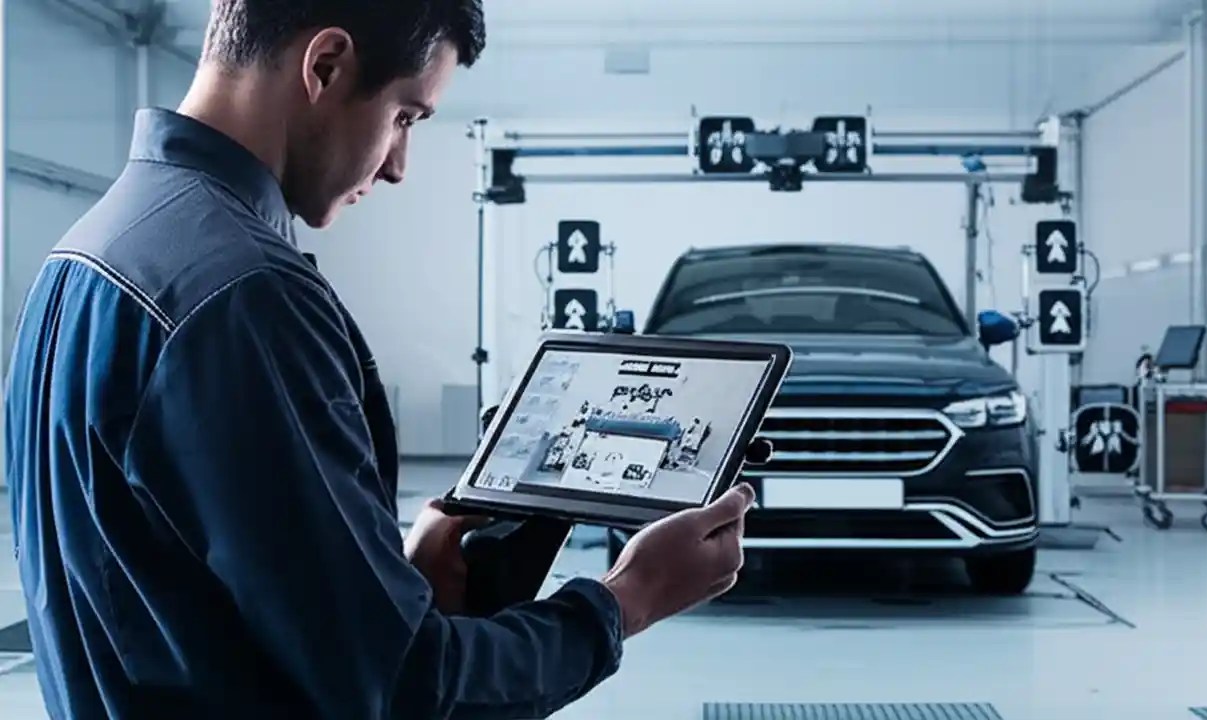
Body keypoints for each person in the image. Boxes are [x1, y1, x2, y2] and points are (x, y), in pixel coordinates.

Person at [3, 1, 755, 718]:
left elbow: (175, 594)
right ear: (325, 65)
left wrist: (391, 570)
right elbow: (404, 690)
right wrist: (630, 600)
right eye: (405, 116)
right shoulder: (247, 297)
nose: (398, 166)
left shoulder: (85, 254)